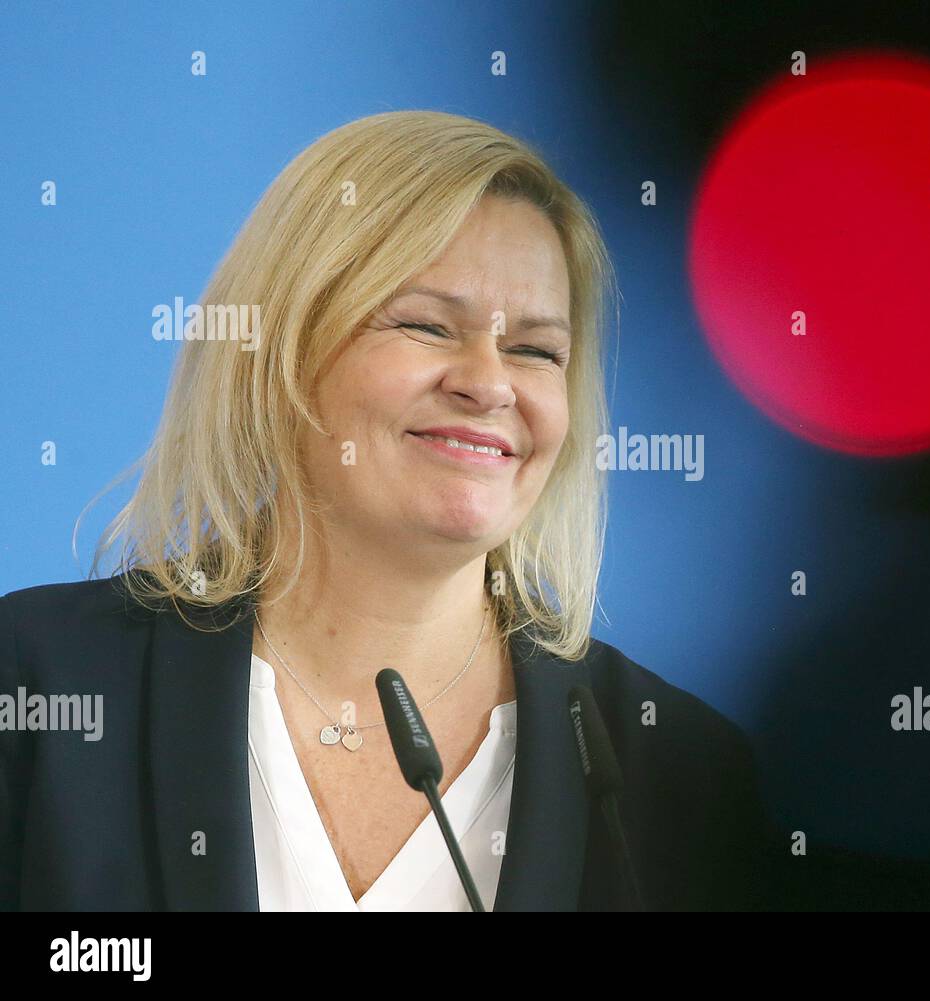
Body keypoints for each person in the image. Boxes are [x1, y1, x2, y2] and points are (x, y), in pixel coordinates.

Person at [0, 111, 776, 911]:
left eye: (536, 349)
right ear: (282, 353)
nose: (490, 383)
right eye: (427, 325)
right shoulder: (38, 684)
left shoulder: (677, 771)